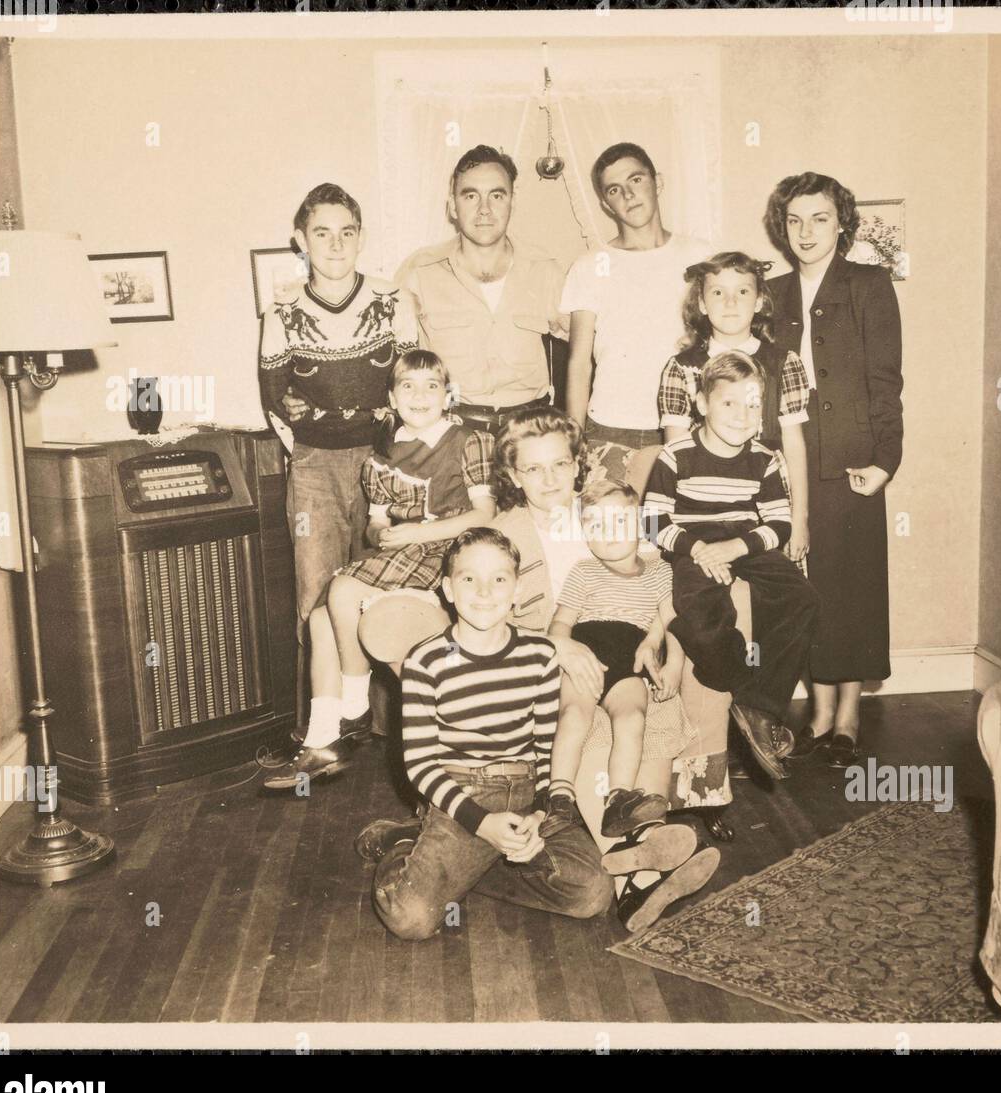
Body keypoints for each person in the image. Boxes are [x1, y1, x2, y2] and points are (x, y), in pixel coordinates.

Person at [262, 350, 495, 790]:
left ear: (448, 395)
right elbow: (375, 520)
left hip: (447, 550)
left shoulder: (468, 440)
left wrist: (414, 536)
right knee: (318, 619)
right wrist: (382, 526)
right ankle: (322, 739)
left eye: (432, 386)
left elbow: (484, 515)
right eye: (408, 386)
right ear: (391, 396)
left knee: (343, 590)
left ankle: (355, 706)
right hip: (402, 551)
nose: (420, 395)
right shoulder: (386, 449)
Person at [372, 528, 613, 941]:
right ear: (448, 588)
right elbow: (420, 765)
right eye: (469, 578)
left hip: (524, 791)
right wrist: (481, 823)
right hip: (460, 793)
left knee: (593, 894)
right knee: (410, 918)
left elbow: (543, 746)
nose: (484, 591)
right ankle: (401, 848)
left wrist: (539, 813)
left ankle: (468, 869)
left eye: (499, 579)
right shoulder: (424, 662)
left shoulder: (539, 654)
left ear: (518, 589)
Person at [258, 182, 418, 736]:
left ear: (361, 238)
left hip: (387, 459)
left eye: (346, 232)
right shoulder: (282, 311)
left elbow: (412, 384)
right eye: (321, 233)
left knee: (389, 584)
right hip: (316, 467)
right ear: (300, 241)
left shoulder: (392, 299)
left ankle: (391, 726)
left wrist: (398, 454)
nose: (335, 244)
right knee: (319, 591)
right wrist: (313, 452)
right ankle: (323, 730)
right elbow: (275, 398)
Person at [763, 172, 904, 765]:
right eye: (794, 220)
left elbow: (886, 381)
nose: (806, 231)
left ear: (842, 223)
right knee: (807, 586)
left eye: (819, 218)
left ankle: (846, 717)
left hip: (853, 461)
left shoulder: (868, 284)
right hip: (790, 457)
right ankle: (816, 712)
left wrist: (884, 460)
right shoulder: (769, 292)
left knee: (852, 588)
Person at [645, 352, 822, 780]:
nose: (742, 416)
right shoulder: (676, 455)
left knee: (802, 597)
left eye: (752, 404)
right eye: (729, 403)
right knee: (705, 618)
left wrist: (736, 548)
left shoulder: (764, 459)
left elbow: (779, 521)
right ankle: (745, 690)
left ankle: (762, 706)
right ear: (702, 404)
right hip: (692, 543)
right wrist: (699, 549)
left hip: (745, 541)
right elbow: (652, 519)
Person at [560, 142, 709, 494]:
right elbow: (579, 363)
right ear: (604, 203)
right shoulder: (590, 266)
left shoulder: (700, 255)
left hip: (685, 426)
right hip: (609, 430)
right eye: (614, 189)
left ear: (657, 182)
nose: (628, 194)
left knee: (673, 537)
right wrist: (574, 445)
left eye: (636, 179)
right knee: (612, 537)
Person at [542, 479, 685, 840]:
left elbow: (672, 622)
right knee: (574, 714)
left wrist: (674, 666)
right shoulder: (583, 571)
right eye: (596, 525)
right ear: (584, 533)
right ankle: (559, 797)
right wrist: (562, 645)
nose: (609, 533)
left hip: (630, 662)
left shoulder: (659, 571)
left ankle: (619, 800)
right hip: (586, 654)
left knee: (633, 717)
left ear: (639, 523)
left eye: (620, 521)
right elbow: (561, 624)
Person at [394, 145, 567, 436]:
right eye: (471, 195)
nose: (484, 209)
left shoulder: (545, 270)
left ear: (513, 202)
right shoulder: (419, 272)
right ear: (452, 205)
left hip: (530, 433)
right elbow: (382, 352)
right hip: (449, 430)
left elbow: (593, 349)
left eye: (497, 195)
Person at [657, 251, 812, 567]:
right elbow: (675, 452)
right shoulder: (682, 368)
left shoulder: (784, 363)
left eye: (742, 291)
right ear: (701, 303)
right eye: (717, 292)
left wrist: (800, 519)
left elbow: (794, 444)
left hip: (770, 506)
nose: (730, 303)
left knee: (778, 597)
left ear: (758, 301)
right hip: (701, 511)